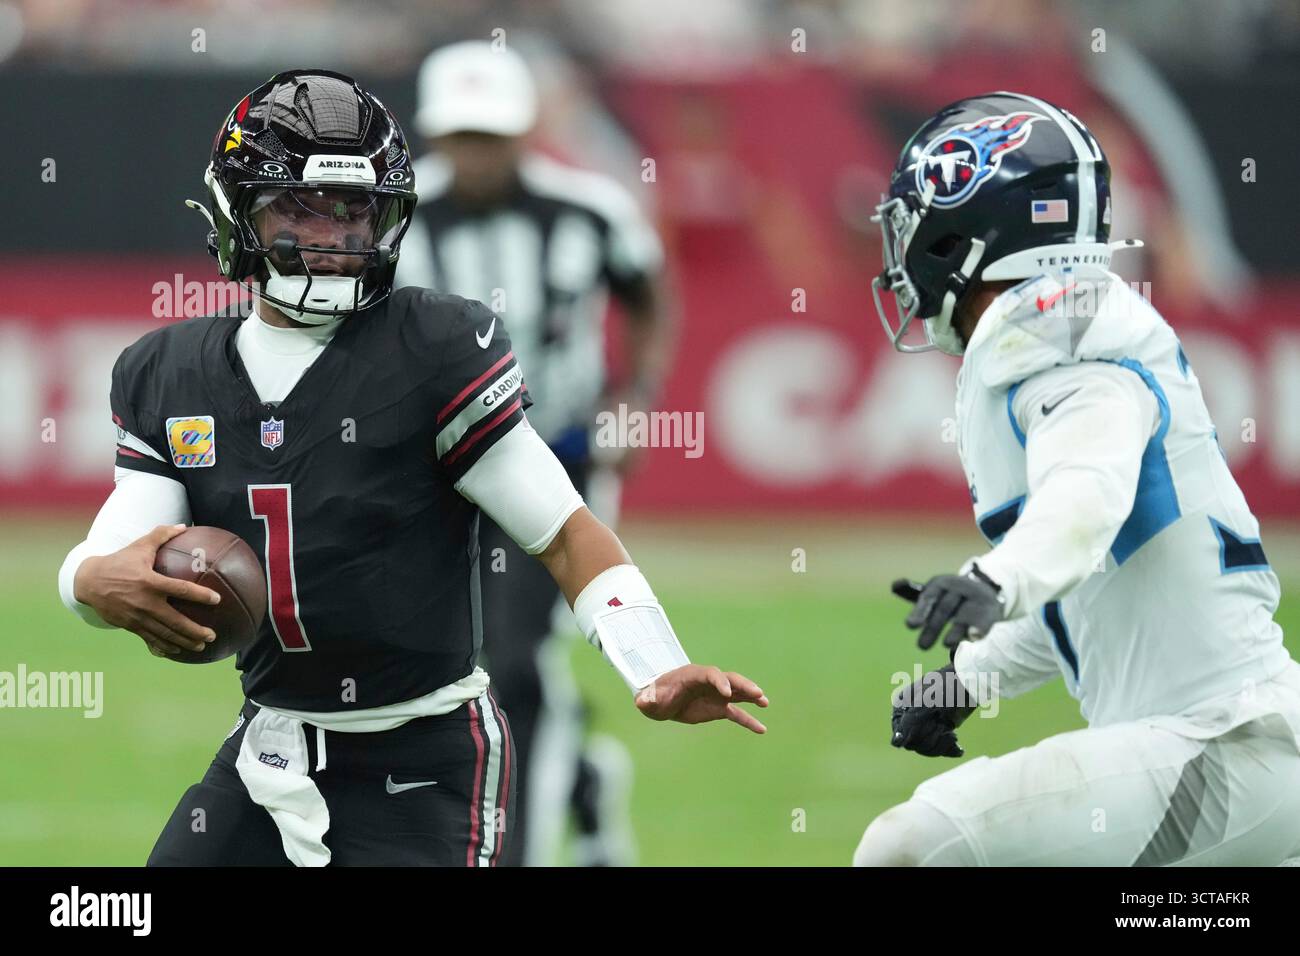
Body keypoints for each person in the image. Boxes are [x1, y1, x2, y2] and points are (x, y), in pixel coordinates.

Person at [56, 68, 765, 867]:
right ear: (236, 211)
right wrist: (86, 583)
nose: (332, 237)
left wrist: (658, 663)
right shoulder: (170, 372)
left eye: (354, 212)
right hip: (272, 745)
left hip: (424, 762)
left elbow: (564, 532)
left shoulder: (431, 349)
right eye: (300, 209)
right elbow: (112, 550)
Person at [854, 92, 1300, 866]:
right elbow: (1085, 585)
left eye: (911, 226)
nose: (901, 255)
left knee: (913, 847)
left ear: (966, 229)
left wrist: (1000, 576)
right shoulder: (1057, 339)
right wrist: (969, 679)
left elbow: (1085, 493)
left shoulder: (1066, 345)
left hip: (1220, 748)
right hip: (1233, 759)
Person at [396, 41, 673, 866]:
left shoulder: (589, 210)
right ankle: (583, 781)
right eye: (463, 136)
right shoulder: (397, 219)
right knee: (445, 657)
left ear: (525, 132)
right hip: (435, 466)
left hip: (555, 450)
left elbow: (647, 292)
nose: (477, 156)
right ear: (434, 136)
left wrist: (634, 396)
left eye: (493, 135)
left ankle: (516, 850)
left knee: (517, 655)